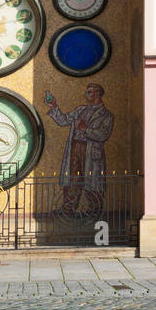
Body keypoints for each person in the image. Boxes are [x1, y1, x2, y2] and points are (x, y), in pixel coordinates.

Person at [45, 84, 114, 217]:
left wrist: (85, 130)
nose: (87, 95)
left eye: (90, 92)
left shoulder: (106, 115)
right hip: (75, 148)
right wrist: (54, 106)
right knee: (73, 179)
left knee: (92, 181)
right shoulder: (81, 110)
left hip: (91, 151)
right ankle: (68, 210)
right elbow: (64, 120)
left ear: (98, 94)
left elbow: (103, 135)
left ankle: (94, 211)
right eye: (87, 92)